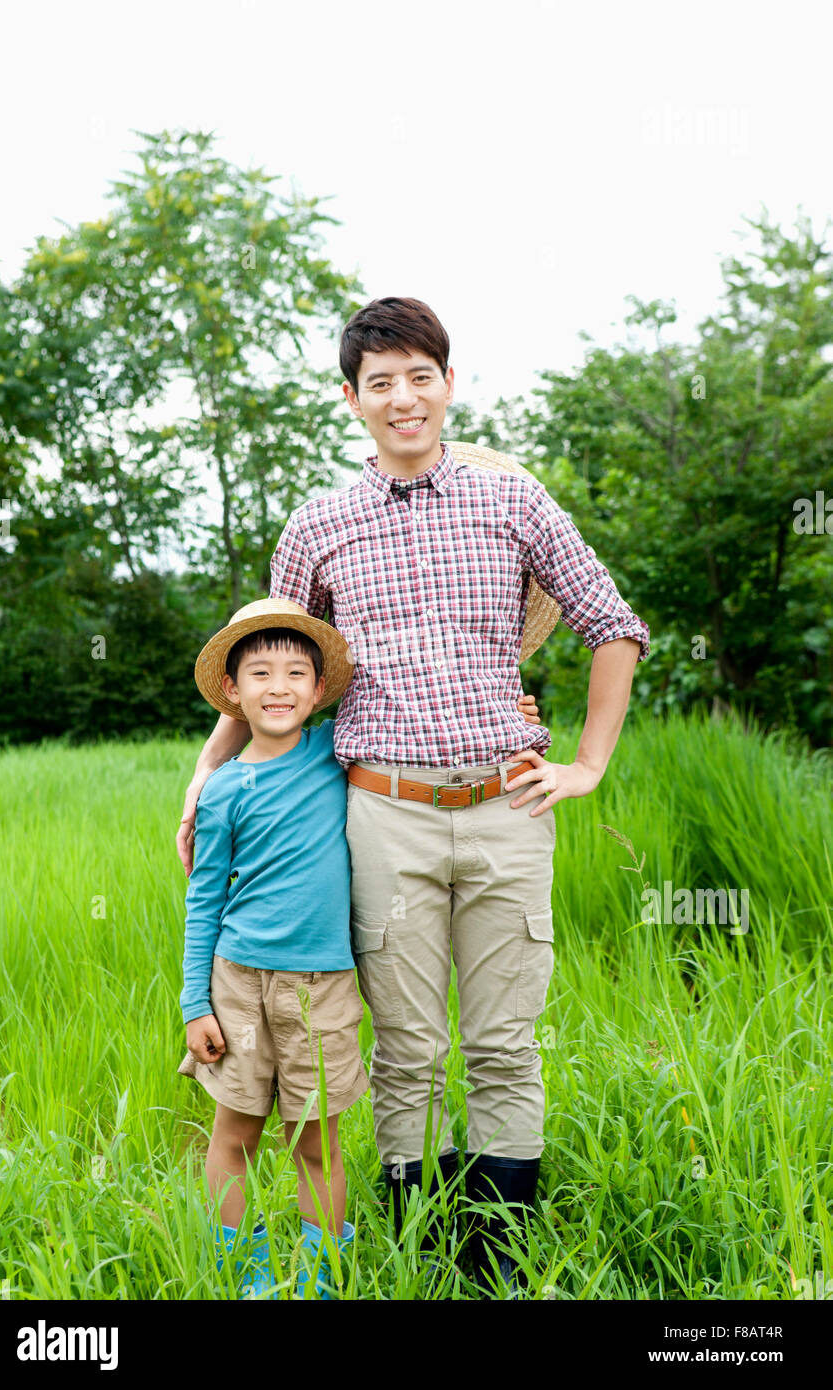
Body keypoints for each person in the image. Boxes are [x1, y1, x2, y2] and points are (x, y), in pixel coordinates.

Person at [177, 296, 651, 1297]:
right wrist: (203, 772)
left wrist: (587, 765)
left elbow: (612, 623)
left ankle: (499, 1260)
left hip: (506, 808)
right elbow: (274, 666)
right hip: (379, 813)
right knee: (404, 1042)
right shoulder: (318, 525)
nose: (403, 397)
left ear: (446, 382)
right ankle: (423, 1249)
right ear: (350, 399)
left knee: (501, 1040)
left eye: (419, 376)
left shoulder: (512, 501)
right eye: (379, 382)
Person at [177, 597, 369, 1300]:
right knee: (236, 1135)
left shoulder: (338, 753)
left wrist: (520, 714)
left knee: (316, 1143)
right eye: (259, 673)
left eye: (295, 672)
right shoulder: (223, 790)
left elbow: (420, 724)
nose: (279, 686)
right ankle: (239, 1272)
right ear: (233, 692)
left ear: (320, 690)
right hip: (239, 982)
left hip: (323, 984)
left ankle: (321, 1279)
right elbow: (203, 902)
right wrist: (195, 1002)